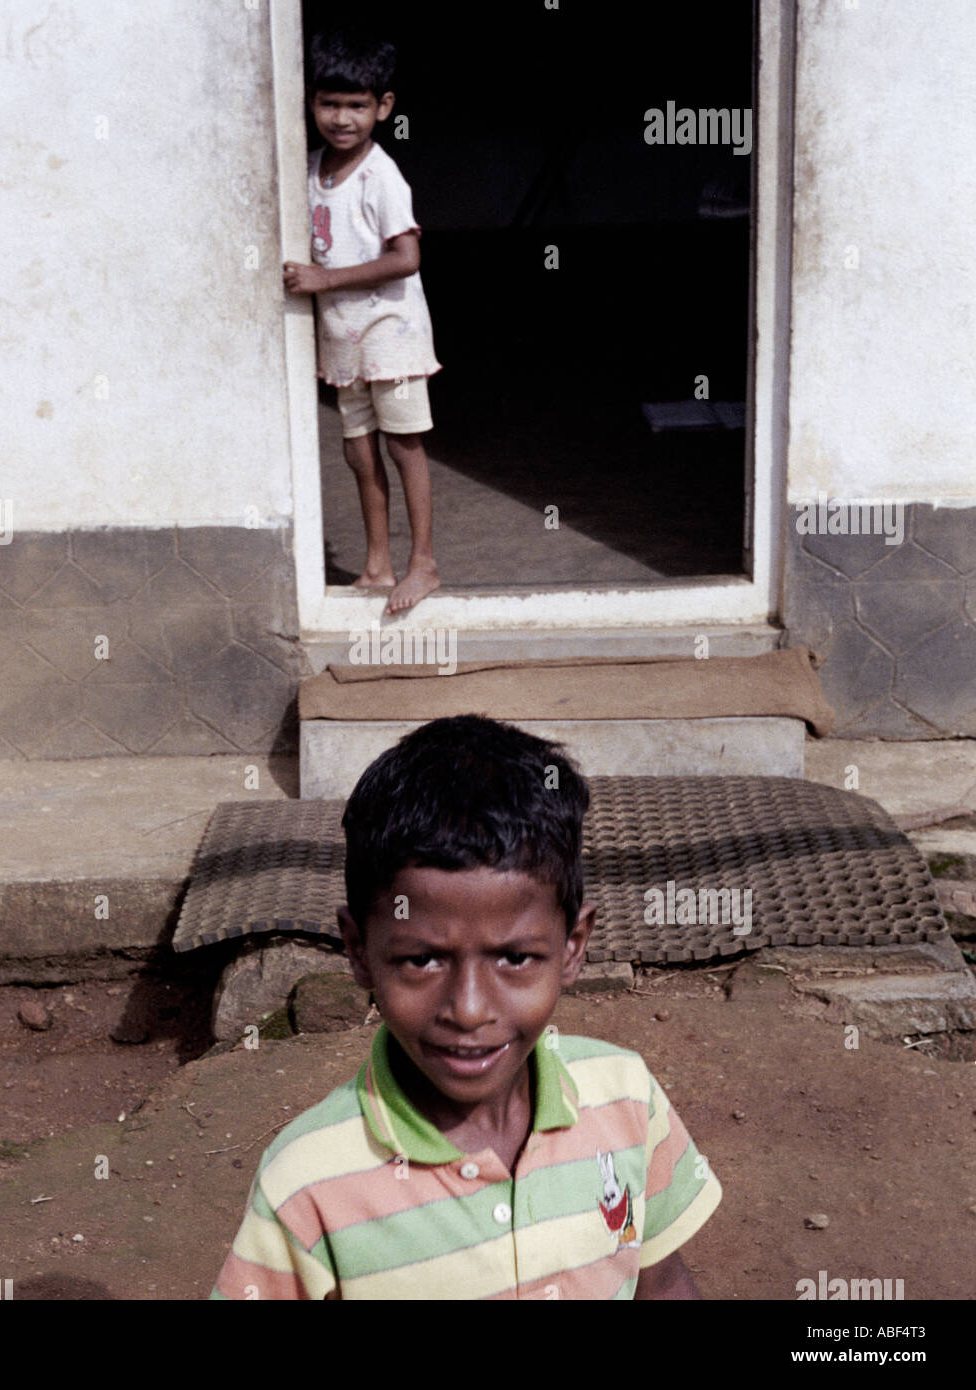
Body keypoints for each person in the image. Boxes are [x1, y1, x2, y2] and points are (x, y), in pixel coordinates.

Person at [211, 715, 722, 1299]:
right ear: (358, 951)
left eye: (515, 958)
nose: (470, 1009)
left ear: (572, 948)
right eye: (422, 961)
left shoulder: (627, 1100)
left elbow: (661, 1285)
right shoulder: (308, 1181)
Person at [283, 31, 441, 615]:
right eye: (329, 103)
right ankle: (377, 566)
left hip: (391, 334)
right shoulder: (309, 170)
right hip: (343, 337)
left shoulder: (381, 176)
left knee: (403, 444)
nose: (341, 118)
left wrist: (324, 280)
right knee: (359, 451)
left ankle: (422, 562)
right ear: (310, 102)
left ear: (383, 107)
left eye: (356, 105)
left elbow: (407, 257)